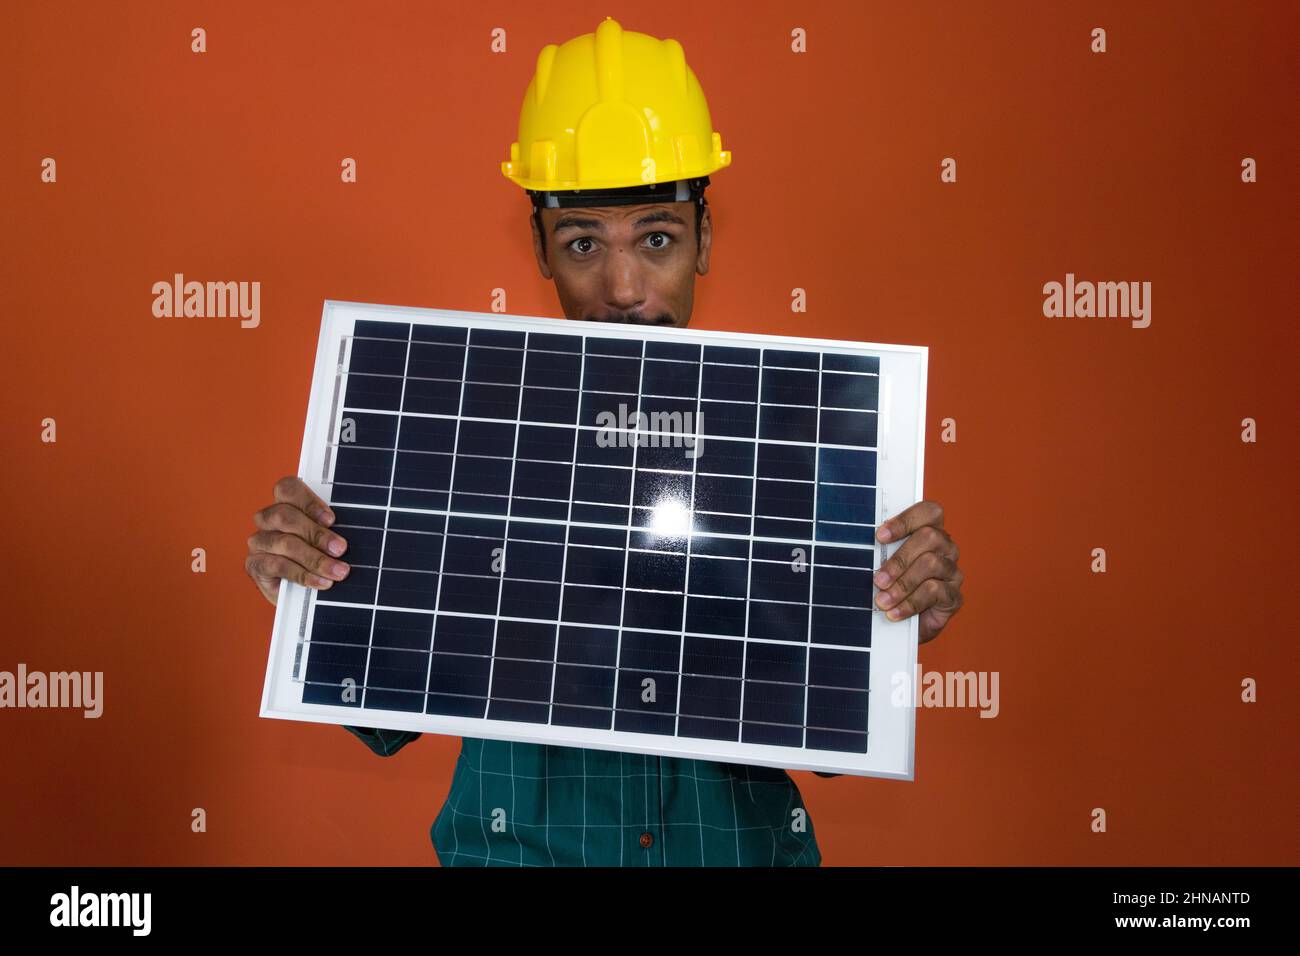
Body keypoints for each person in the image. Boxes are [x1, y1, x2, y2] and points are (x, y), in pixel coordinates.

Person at [245, 17, 964, 866]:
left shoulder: (795, 443)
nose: (624, 290)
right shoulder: (459, 440)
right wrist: (309, 592)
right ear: (542, 253)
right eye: (583, 242)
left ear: (705, 238)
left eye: (656, 238)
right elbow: (385, 712)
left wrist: (894, 628)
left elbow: (827, 729)